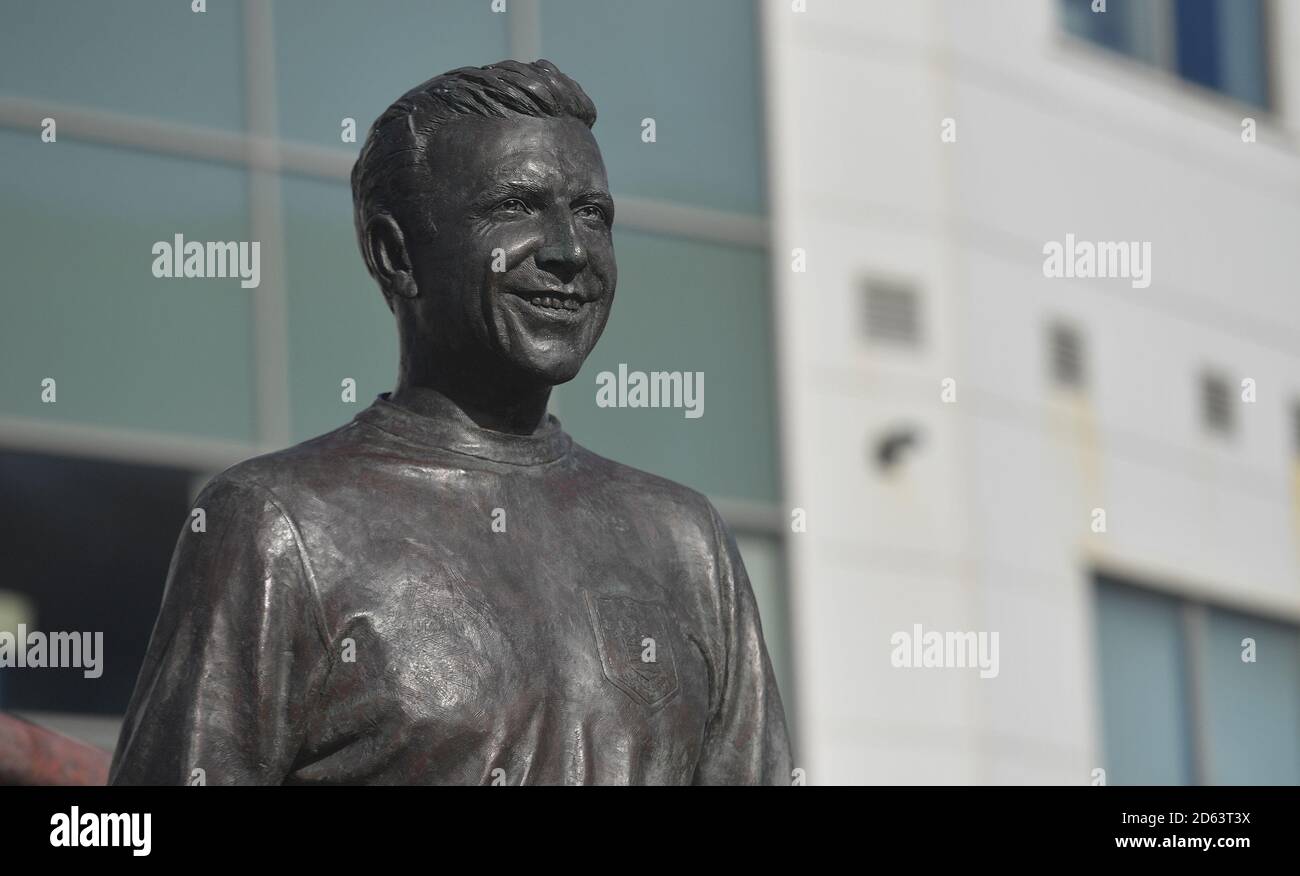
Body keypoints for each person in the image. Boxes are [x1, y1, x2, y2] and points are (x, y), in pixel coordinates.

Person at [110, 59, 791, 785]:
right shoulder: (278, 528)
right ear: (395, 254)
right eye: (517, 206)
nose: (569, 251)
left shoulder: (686, 543)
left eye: (593, 213)